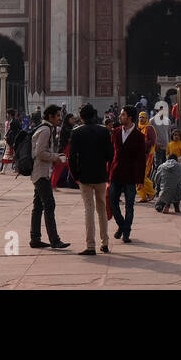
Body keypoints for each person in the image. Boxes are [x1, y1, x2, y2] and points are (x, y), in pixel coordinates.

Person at [68, 102, 113, 255]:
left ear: (81, 116)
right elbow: (110, 155)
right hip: (100, 174)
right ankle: (105, 242)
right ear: (94, 114)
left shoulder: (77, 132)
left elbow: (72, 157)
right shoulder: (104, 131)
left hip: (84, 175)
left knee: (89, 209)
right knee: (102, 209)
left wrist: (76, 175)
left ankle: (90, 245)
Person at [28, 104, 70, 250]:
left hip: (40, 171)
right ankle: (54, 240)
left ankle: (35, 238)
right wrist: (55, 158)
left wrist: (55, 156)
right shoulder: (46, 130)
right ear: (50, 117)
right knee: (49, 205)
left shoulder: (46, 128)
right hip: (41, 173)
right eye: (57, 115)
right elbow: (40, 152)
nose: (60, 118)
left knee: (38, 206)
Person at [109, 107, 149, 244]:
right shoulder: (115, 132)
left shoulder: (139, 136)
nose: (120, 117)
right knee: (112, 202)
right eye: (120, 114)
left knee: (129, 205)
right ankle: (122, 225)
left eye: (123, 115)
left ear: (130, 117)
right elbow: (110, 154)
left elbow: (141, 159)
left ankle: (126, 232)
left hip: (131, 175)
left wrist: (141, 179)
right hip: (116, 173)